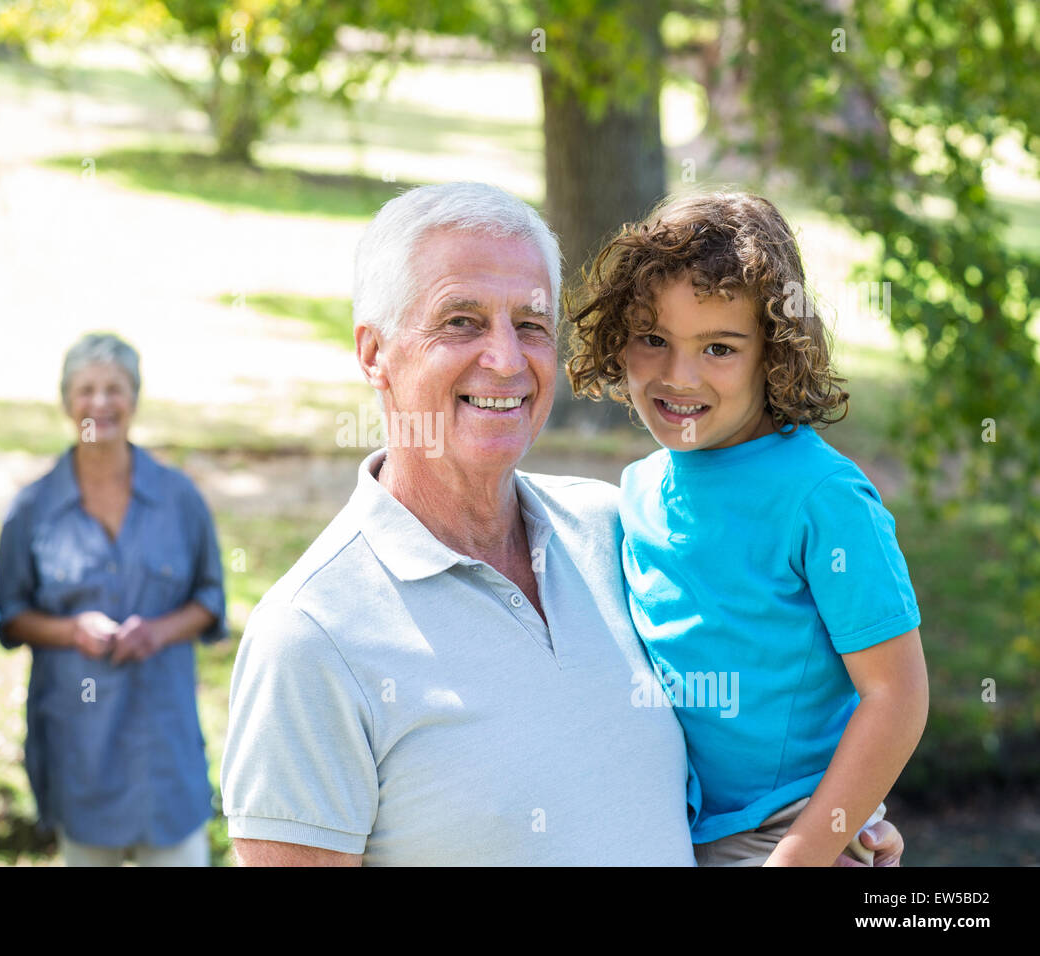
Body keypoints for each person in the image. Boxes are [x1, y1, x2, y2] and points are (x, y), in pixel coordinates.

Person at [220, 181, 906, 866]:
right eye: (460, 320)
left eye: (530, 323)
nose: (505, 359)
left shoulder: (615, 531)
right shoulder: (310, 637)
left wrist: (835, 834)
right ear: (375, 353)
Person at [564, 190, 928, 865]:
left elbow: (898, 694)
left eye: (720, 348)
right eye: (653, 339)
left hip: (785, 828)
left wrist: (803, 852)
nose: (679, 376)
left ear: (775, 351)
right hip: (670, 824)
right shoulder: (640, 488)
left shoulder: (825, 497)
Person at [0, 333, 227, 867]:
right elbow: (11, 615)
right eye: (86, 390)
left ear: (135, 399)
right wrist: (71, 630)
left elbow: (211, 599)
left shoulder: (179, 498)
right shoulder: (32, 509)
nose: (100, 403)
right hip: (81, 742)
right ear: (65, 402)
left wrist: (160, 630)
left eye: (114, 389)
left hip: (162, 742)